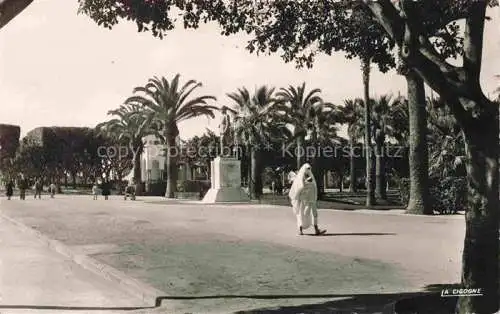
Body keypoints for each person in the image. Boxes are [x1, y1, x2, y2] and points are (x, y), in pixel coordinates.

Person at [288, 163, 326, 236]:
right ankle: (300, 229)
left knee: (314, 214)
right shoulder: (300, 178)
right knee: (301, 214)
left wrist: (314, 196)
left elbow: (314, 186)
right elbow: (298, 188)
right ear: (304, 169)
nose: (308, 170)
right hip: (304, 200)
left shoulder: (311, 176)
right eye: (307, 168)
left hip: (312, 199)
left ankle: (316, 229)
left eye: (309, 168)